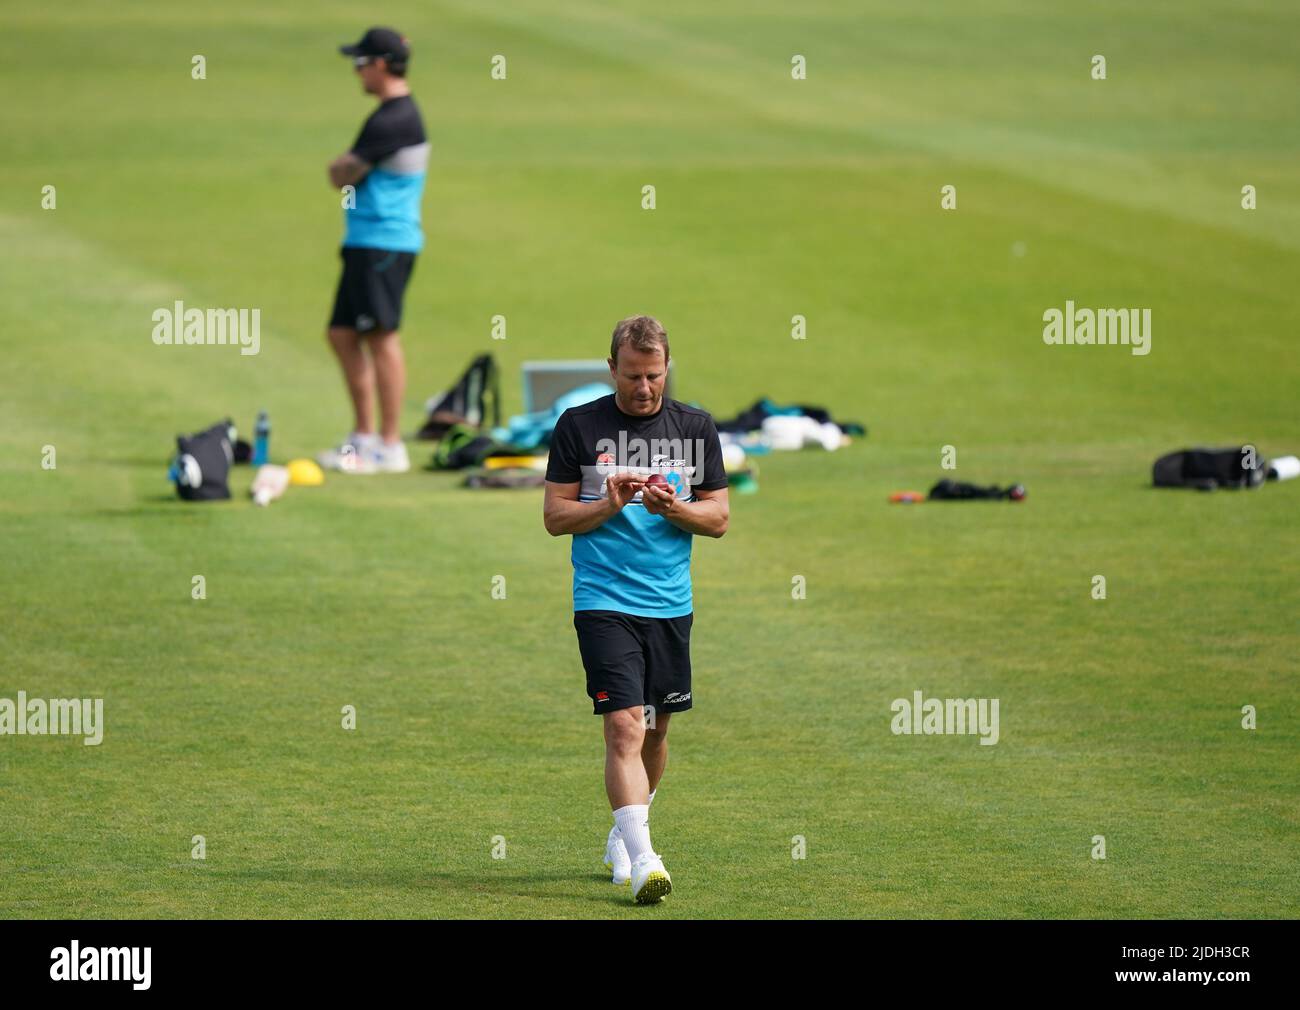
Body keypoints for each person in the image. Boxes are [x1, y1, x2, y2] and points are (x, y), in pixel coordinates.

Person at [543, 316, 730, 904]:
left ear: (667, 367)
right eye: (632, 376)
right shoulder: (579, 426)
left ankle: (624, 836)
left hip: (670, 603)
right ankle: (647, 859)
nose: (644, 388)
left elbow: (719, 518)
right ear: (611, 368)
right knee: (625, 724)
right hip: (602, 599)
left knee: (657, 729)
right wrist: (609, 503)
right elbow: (555, 517)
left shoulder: (695, 427)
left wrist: (674, 508)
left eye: (653, 376)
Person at [318, 27, 428, 474]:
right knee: (342, 333)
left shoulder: (393, 119)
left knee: (381, 336)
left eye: (361, 62)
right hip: (365, 241)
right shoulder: (389, 115)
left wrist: (340, 168)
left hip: (384, 242)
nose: (357, 71)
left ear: (381, 64)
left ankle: (389, 443)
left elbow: (341, 173)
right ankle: (363, 438)